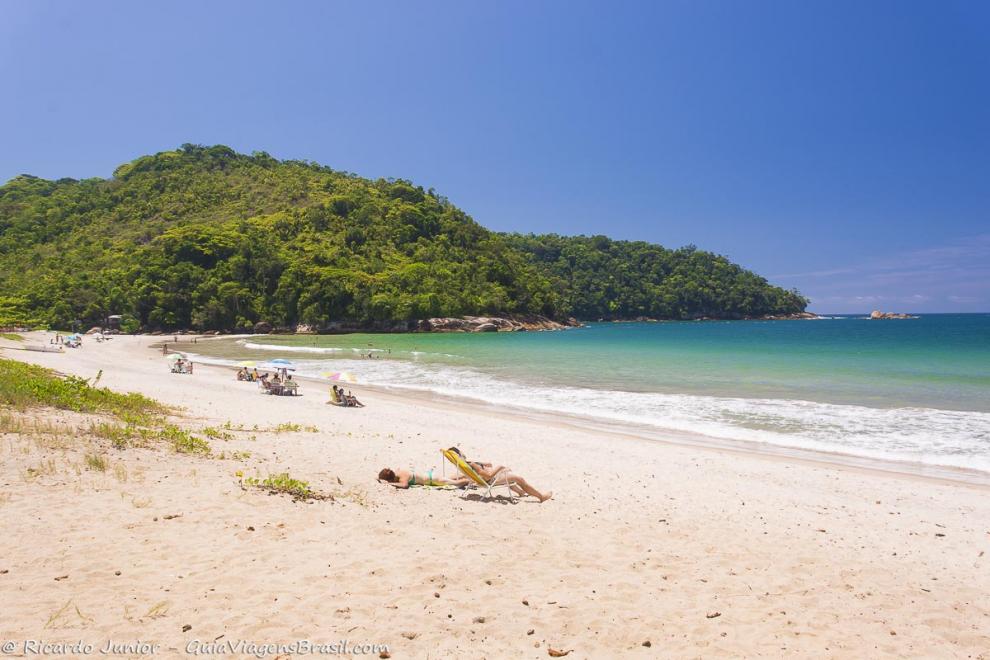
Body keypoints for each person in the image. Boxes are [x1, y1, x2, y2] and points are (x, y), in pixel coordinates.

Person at [448, 446, 553, 502]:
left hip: (487, 479)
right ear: (459, 454)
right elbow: (488, 476)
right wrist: (500, 467)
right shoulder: (471, 465)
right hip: (491, 480)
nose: (463, 452)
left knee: (509, 475)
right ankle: (541, 497)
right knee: (519, 479)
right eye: (461, 452)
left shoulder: (466, 464)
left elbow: (487, 466)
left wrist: (485, 465)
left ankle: (521, 492)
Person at [377, 468, 468, 489]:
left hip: (433, 480)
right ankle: (467, 475)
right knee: (448, 478)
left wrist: (389, 484)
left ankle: (472, 480)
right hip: (430, 475)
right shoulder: (398, 471)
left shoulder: (402, 478)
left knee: (457, 483)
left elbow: (404, 485)